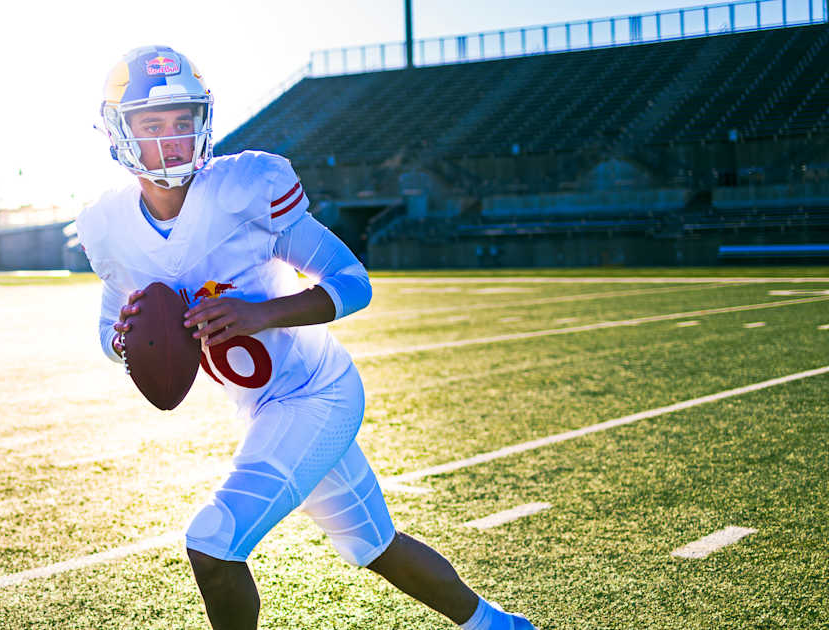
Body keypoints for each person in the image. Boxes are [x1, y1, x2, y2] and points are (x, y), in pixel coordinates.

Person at [76, 45, 536, 630]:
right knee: (377, 546)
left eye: (182, 121)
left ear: (203, 121)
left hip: (318, 391)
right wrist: (127, 338)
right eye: (152, 123)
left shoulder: (246, 187)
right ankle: (504, 626)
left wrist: (261, 314)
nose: (172, 137)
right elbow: (108, 332)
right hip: (262, 406)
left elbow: (352, 282)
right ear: (120, 130)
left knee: (214, 541)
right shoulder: (107, 224)